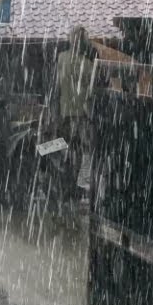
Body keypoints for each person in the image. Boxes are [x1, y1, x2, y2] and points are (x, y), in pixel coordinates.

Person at [52, 25, 98, 188]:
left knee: (62, 147)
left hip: (64, 112)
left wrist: (54, 112)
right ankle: (71, 184)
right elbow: (92, 93)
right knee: (77, 150)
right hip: (81, 115)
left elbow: (56, 87)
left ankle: (61, 181)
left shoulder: (61, 58)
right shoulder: (89, 65)